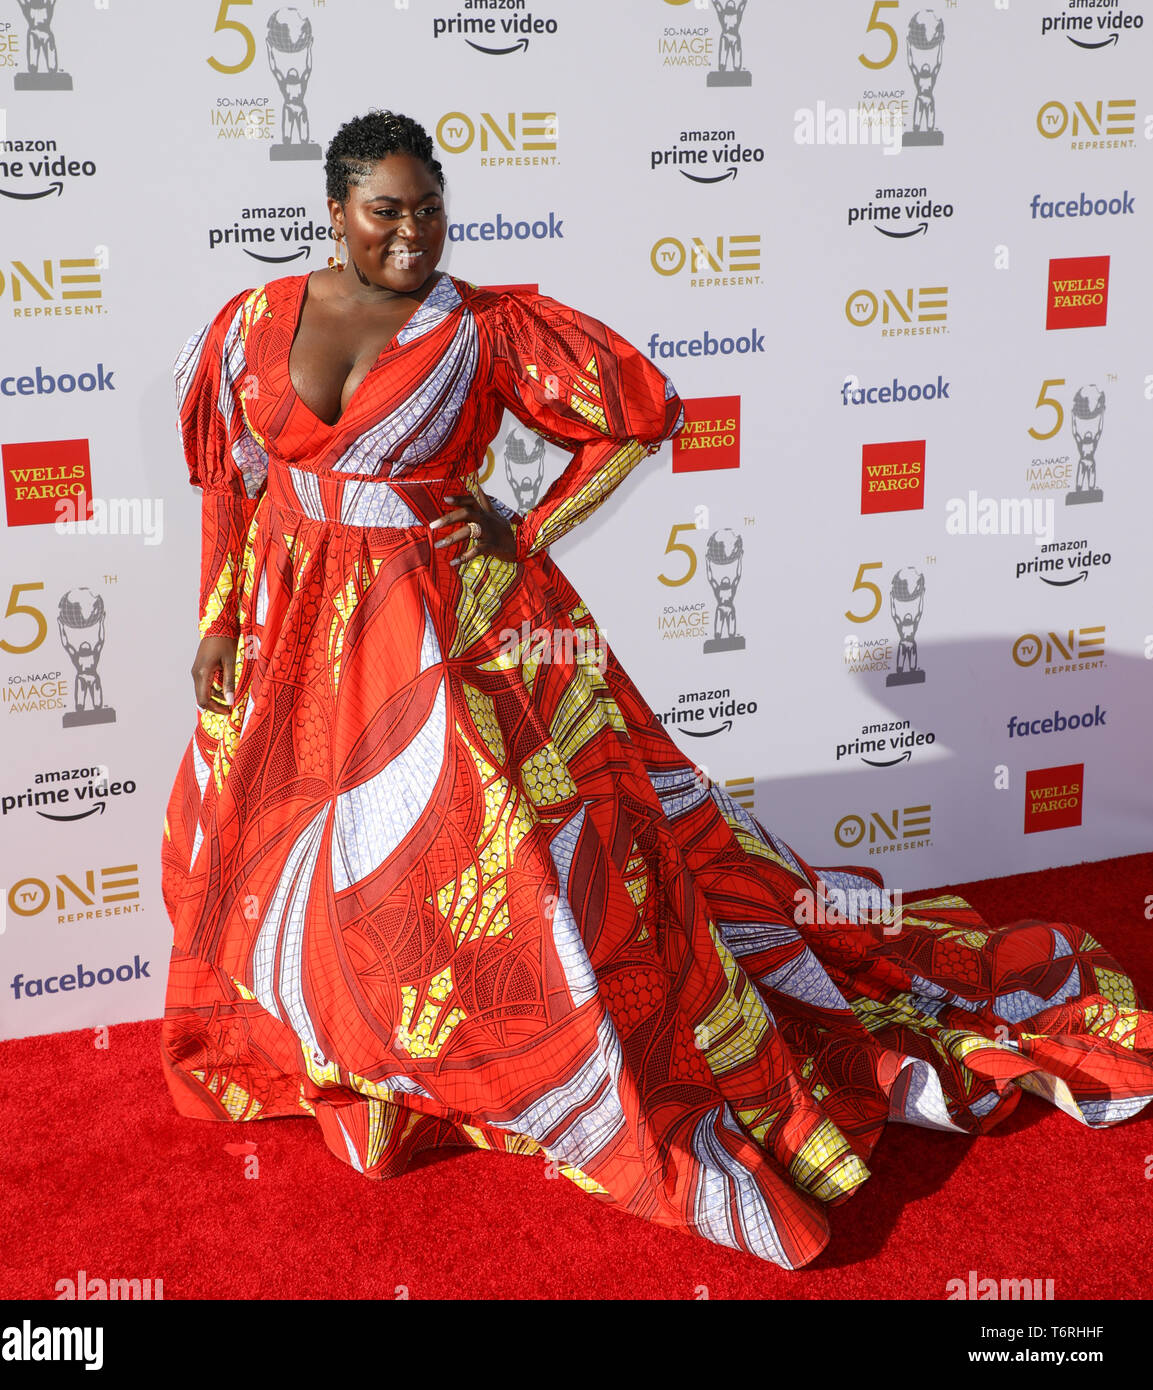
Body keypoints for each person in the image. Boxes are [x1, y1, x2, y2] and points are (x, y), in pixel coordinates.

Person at [161, 110, 1153, 1270]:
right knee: (297, 856)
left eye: (431, 207)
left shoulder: (487, 328)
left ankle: (511, 1060)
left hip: (445, 635)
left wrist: (525, 524)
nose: (413, 232)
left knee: (479, 867)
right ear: (333, 211)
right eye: (387, 209)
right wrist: (220, 618)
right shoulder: (250, 323)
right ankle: (357, 1047)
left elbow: (640, 411)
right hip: (298, 636)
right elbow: (231, 480)